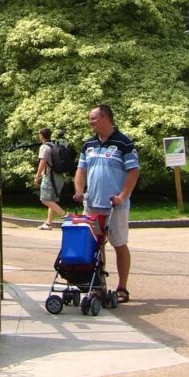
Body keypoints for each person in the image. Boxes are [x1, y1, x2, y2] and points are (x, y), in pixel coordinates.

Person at [73, 105, 139, 301]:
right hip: (92, 204)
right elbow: (81, 170)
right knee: (95, 246)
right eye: (89, 118)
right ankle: (98, 284)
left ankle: (122, 288)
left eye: (93, 118)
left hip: (115, 206)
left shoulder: (123, 143)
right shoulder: (88, 145)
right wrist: (79, 190)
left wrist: (122, 196)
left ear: (106, 118)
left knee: (119, 244)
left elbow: (133, 172)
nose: (90, 121)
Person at [33, 127, 66, 230]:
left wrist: (37, 177)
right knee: (52, 200)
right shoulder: (54, 145)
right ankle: (48, 223)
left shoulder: (44, 147)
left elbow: (42, 162)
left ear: (41, 136)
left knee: (45, 199)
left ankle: (66, 215)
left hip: (50, 177)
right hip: (59, 176)